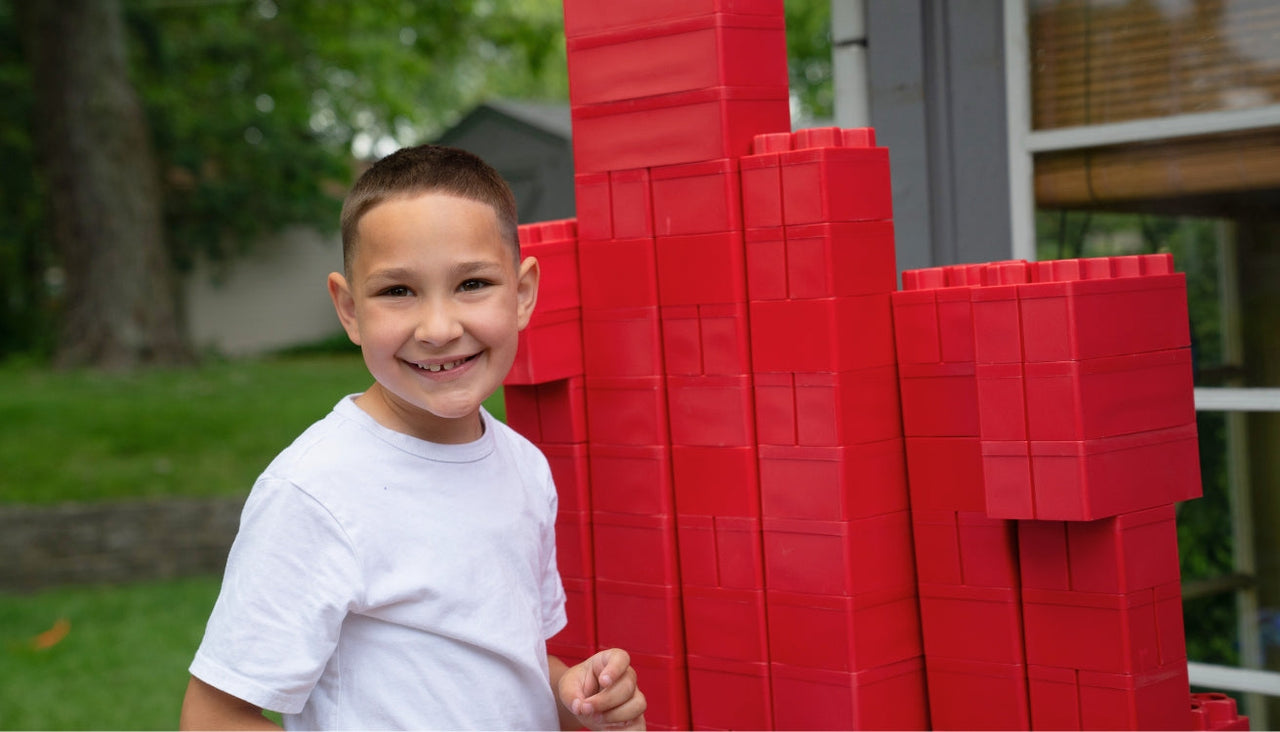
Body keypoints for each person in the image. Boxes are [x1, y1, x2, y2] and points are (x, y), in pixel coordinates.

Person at [180, 144, 646, 730]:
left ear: (523, 294)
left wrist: (578, 697)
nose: (439, 328)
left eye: (473, 283)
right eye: (398, 292)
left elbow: (514, 663)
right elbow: (215, 715)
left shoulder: (525, 467)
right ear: (350, 310)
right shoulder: (314, 493)